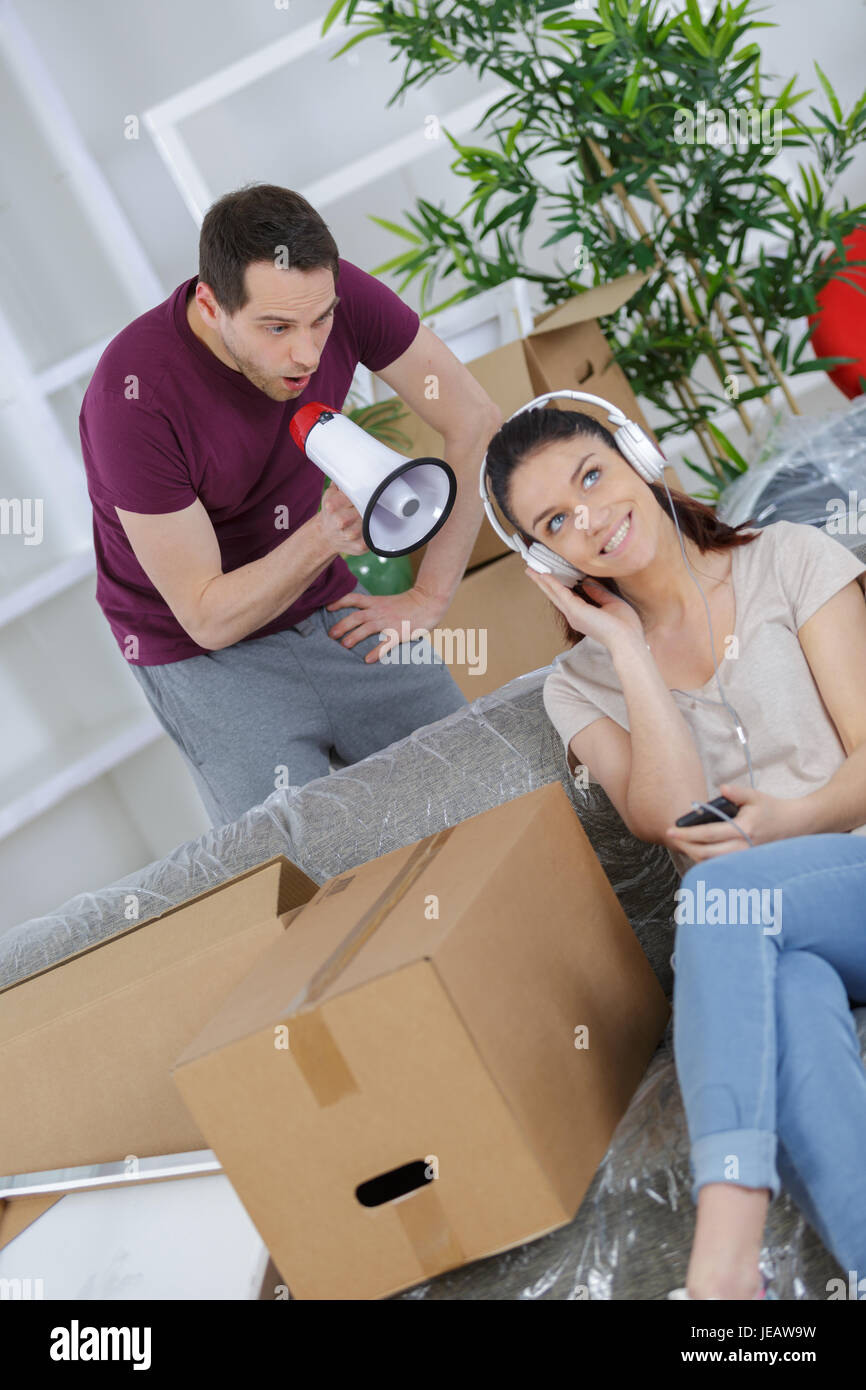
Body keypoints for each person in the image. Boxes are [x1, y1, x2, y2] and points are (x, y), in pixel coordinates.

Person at [482, 402, 866, 1300]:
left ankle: (721, 1270)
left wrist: (791, 820)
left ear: (637, 457)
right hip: (778, 941)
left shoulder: (789, 560)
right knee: (789, 992)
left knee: (722, 898)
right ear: (548, 562)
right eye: (555, 524)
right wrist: (625, 647)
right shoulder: (577, 688)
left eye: (590, 477)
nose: (591, 518)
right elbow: (663, 813)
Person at [79, 183, 502, 826]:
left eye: (321, 322)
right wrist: (323, 536)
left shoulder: (331, 296)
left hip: (327, 600)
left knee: (482, 792)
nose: (307, 352)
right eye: (276, 329)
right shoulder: (132, 399)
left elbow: (476, 420)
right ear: (212, 305)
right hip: (203, 654)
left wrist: (428, 597)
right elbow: (207, 616)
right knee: (302, 871)